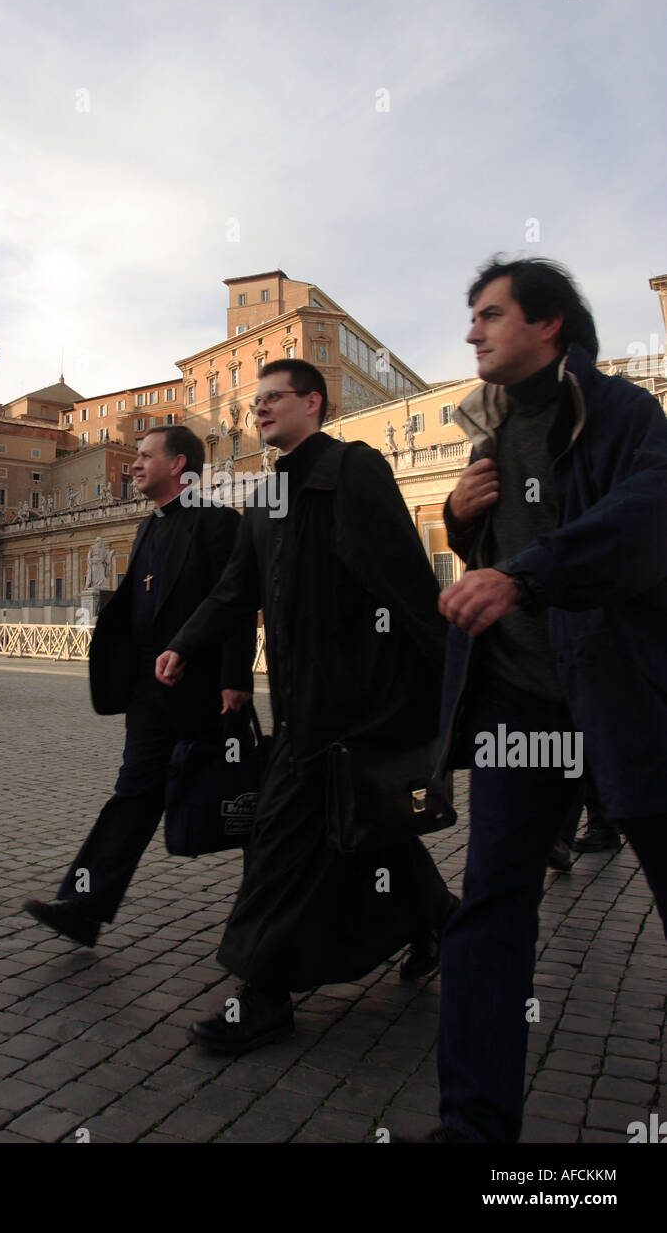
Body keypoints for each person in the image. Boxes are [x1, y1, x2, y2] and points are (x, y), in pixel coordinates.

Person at [422, 256, 667, 1144]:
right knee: (489, 911)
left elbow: (644, 522)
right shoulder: (486, 440)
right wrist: (457, 517)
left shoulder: (624, 414)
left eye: (489, 314)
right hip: (521, 708)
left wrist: (525, 578)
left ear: (549, 324)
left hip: (622, 698)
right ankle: (474, 1132)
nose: (472, 331)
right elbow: (494, 555)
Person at [156, 360, 458, 1055]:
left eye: (273, 399)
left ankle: (262, 996)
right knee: (362, 825)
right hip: (300, 703)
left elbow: (404, 578)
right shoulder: (262, 499)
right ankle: (438, 917)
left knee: (277, 839)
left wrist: (443, 677)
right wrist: (186, 643)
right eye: (255, 401)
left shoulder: (354, 470)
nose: (258, 410)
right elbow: (237, 590)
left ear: (313, 403)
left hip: (357, 701)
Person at [24, 426, 255, 949]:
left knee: (243, 803)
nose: (134, 464)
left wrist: (235, 679)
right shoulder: (149, 528)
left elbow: (236, 600)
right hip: (151, 694)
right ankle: (85, 907)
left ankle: (271, 919)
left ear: (178, 465)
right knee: (133, 794)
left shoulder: (219, 523)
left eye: (145, 456)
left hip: (205, 692)